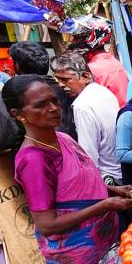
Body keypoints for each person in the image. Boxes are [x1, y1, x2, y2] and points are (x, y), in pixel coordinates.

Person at [1, 75, 132, 264]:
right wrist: (105, 205)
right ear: (18, 114)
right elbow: (47, 224)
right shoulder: (34, 159)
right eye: (41, 105)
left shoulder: (63, 138)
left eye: (54, 101)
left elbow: (79, 185)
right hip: (75, 256)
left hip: (100, 241)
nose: (53, 108)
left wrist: (114, 190)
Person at [51, 52, 122, 185]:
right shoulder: (103, 91)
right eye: (58, 79)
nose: (60, 85)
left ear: (86, 77)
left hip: (108, 177)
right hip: (121, 169)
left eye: (65, 79)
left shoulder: (82, 106)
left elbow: (88, 154)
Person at [0, 42, 74, 153]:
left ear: (17, 65)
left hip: (37, 154)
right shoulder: (69, 86)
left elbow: (0, 140)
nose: (53, 108)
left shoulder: (12, 94)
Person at [69, 15, 129, 108]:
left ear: (91, 39)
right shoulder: (114, 62)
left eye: (76, 38)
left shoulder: (92, 69)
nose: (72, 41)